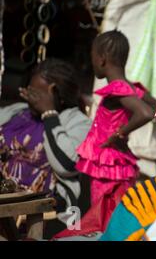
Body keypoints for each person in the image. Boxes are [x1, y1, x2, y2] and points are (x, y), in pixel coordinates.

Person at [55, 30, 156, 238]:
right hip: (119, 164)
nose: (91, 63)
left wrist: (119, 133)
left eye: (91, 57)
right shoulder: (132, 87)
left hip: (107, 165)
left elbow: (145, 113)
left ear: (101, 60)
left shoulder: (117, 89)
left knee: (103, 217)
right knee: (117, 215)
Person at [0, 58, 91, 238]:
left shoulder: (78, 123)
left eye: (37, 94)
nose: (31, 98)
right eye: (30, 91)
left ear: (57, 94)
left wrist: (49, 114)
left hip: (45, 214)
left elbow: (66, 166)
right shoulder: (17, 112)